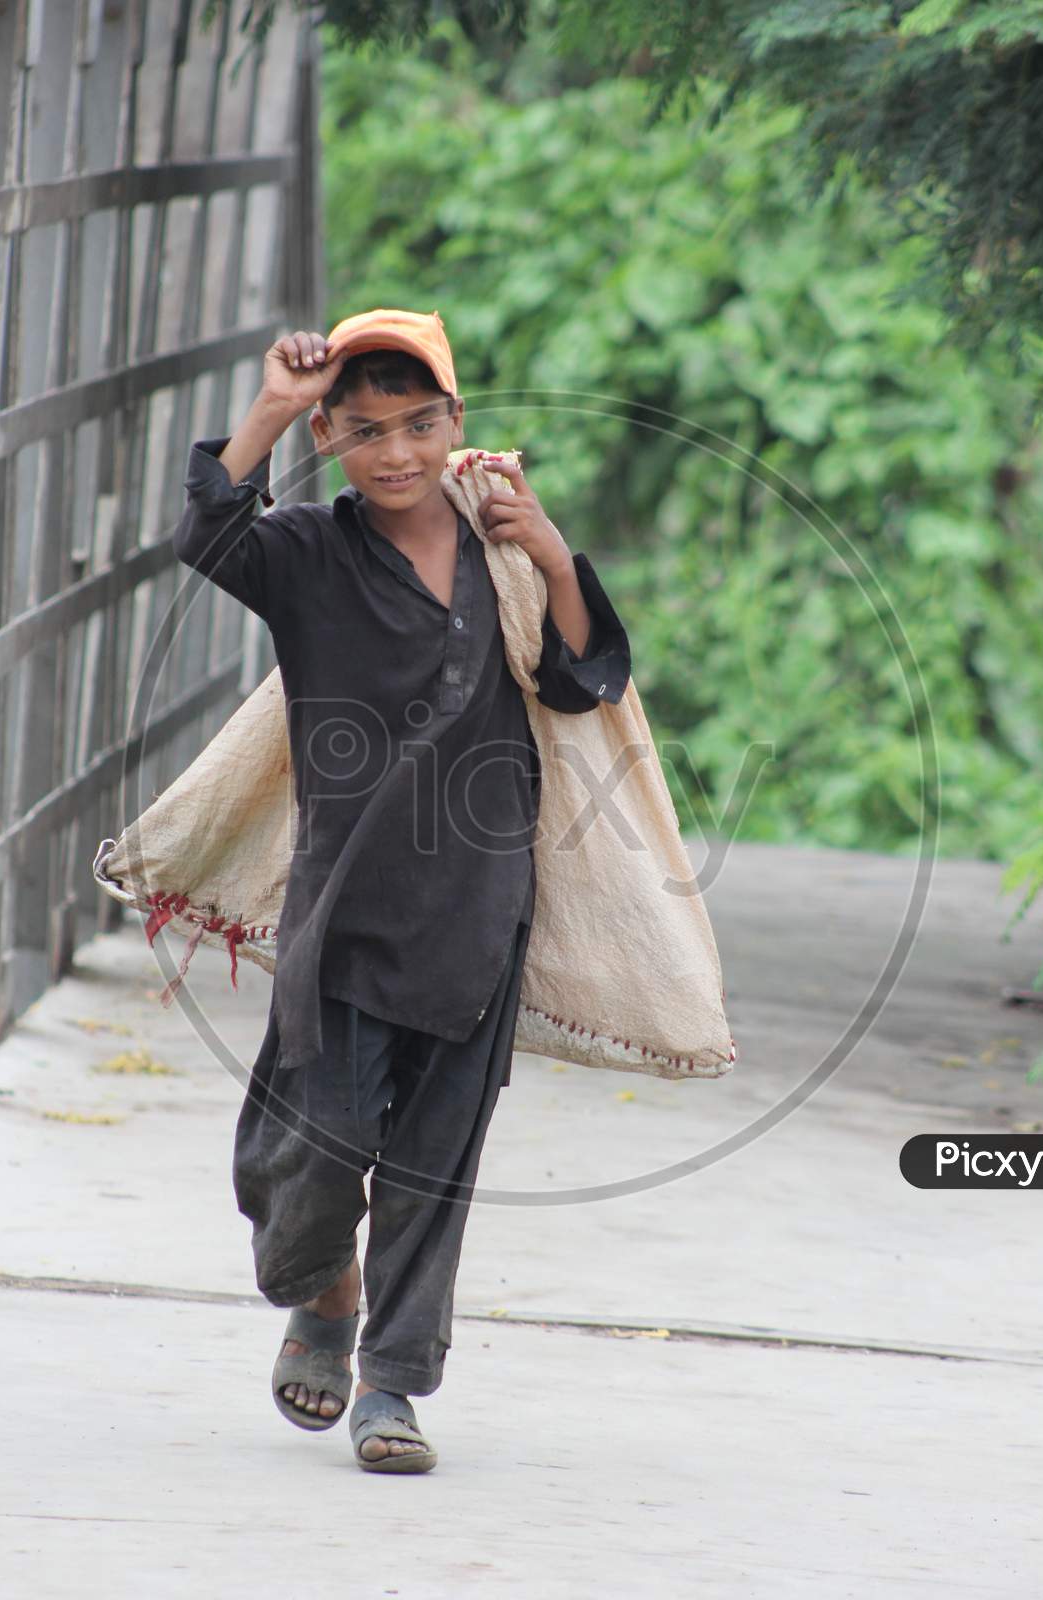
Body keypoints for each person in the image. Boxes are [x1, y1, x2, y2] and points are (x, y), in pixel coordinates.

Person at [172, 308, 632, 1473]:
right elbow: (212, 534)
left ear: (455, 423)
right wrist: (270, 404)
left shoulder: (499, 551)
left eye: (418, 425)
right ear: (330, 435)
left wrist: (552, 551)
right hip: (345, 915)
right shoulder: (310, 556)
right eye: (365, 429)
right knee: (304, 1153)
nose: (394, 454)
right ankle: (323, 1297)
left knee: (433, 1165)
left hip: (478, 911)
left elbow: (583, 679)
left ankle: (392, 1389)